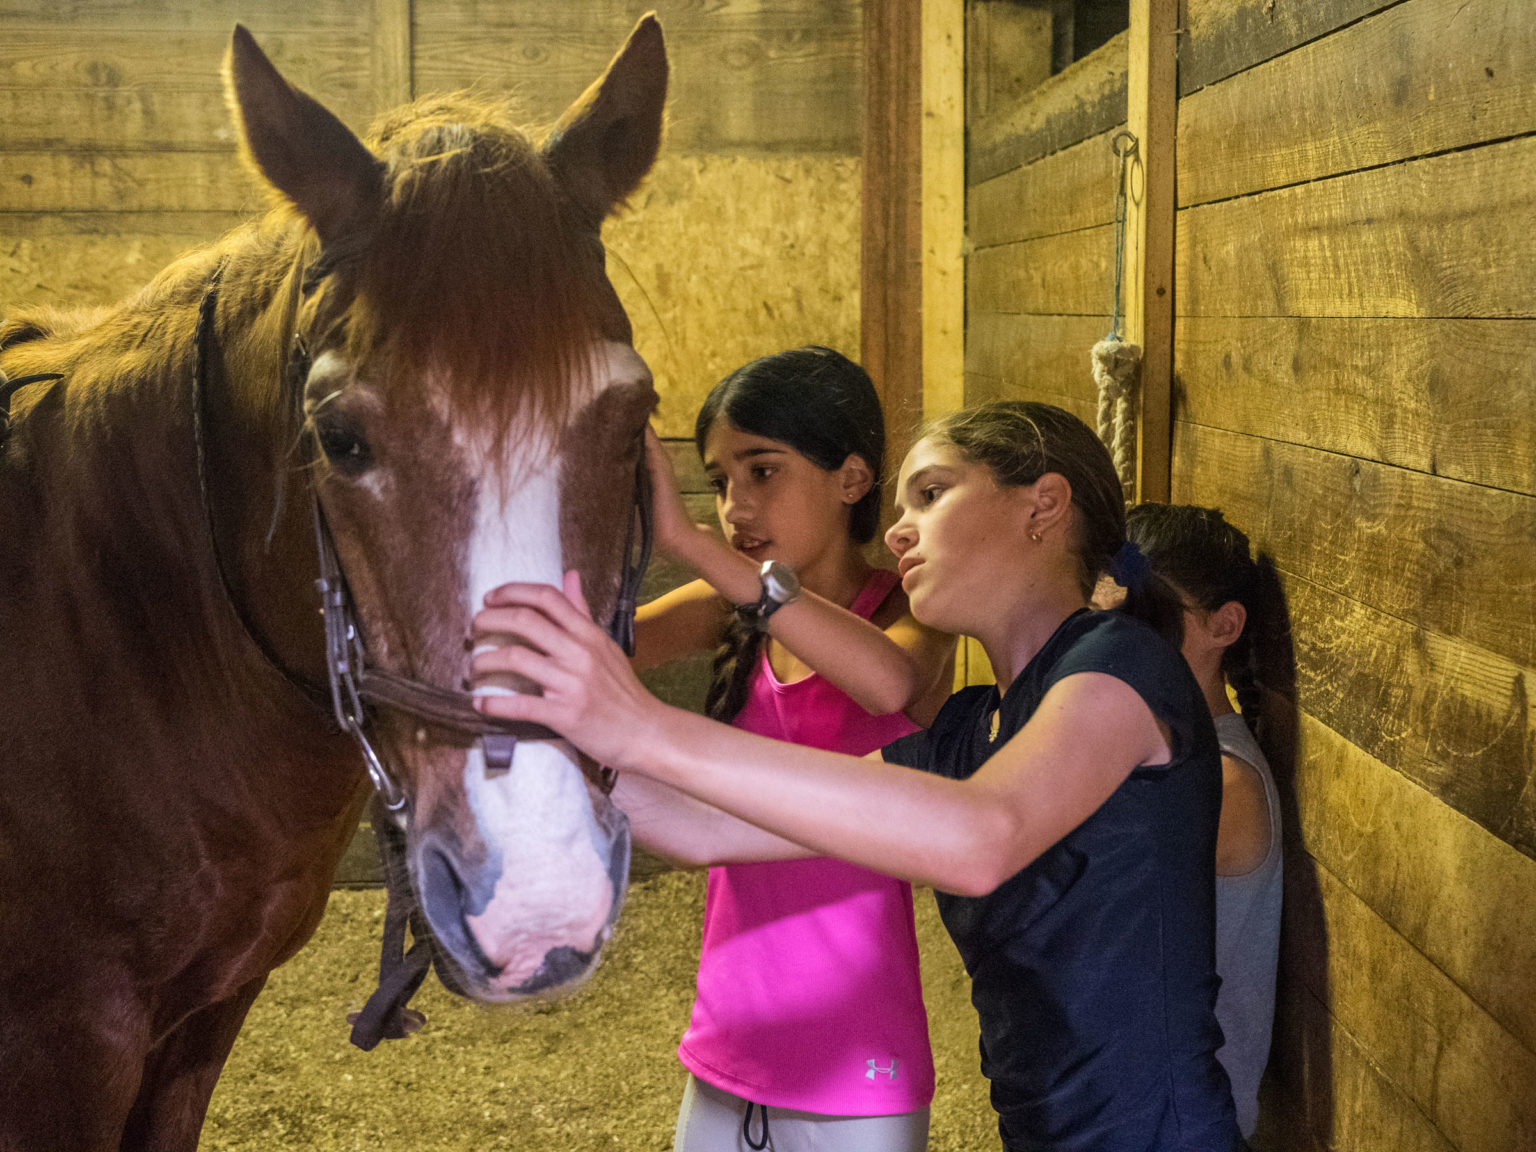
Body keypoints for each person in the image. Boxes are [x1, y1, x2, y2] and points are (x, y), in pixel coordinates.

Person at [472, 400, 1246, 1152]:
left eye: (932, 494)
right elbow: (706, 825)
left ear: (1042, 505)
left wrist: (642, 725)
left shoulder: (1123, 665)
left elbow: (983, 837)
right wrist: (537, 736)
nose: (899, 528)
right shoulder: (968, 734)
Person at [624, 347, 955, 1151]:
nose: (736, 505)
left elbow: (885, 682)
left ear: (851, 478)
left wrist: (695, 544)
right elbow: (596, 651)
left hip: (860, 1062)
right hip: (727, 1044)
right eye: (719, 480)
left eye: (762, 472)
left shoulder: (912, 615)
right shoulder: (730, 603)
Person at [1120, 504, 1283, 1143]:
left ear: (1225, 625)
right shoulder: (1157, 744)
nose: (1120, 636)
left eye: (1149, 613)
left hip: (1181, 1119)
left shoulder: (1227, 780)